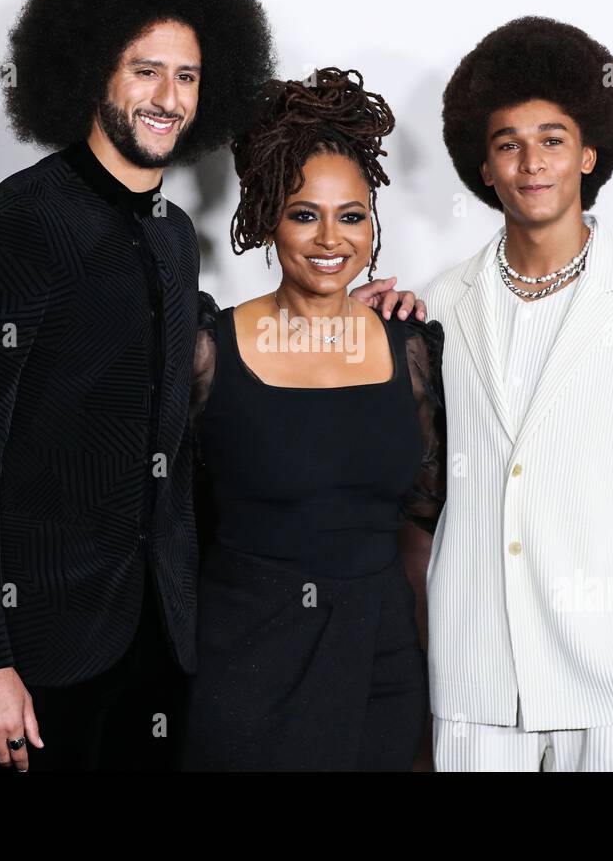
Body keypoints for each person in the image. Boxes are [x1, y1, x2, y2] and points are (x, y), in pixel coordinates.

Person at [0, 0, 419, 773]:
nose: (168, 96)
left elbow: (177, 342)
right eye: (145, 69)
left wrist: (340, 303)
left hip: (164, 646)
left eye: (186, 76)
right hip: (39, 654)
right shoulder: (10, 231)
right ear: (90, 70)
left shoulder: (173, 235)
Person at [421, 16, 613, 771]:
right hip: (476, 677)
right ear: (484, 166)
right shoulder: (438, 306)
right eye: (508, 143)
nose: (532, 163)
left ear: (589, 153)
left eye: (552, 139)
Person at [181, 68, 446, 770]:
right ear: (268, 215)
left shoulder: (411, 344)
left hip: (380, 664)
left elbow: (434, 514)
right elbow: (155, 514)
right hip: (245, 667)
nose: (332, 238)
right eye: (304, 214)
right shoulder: (205, 349)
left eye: (352, 215)